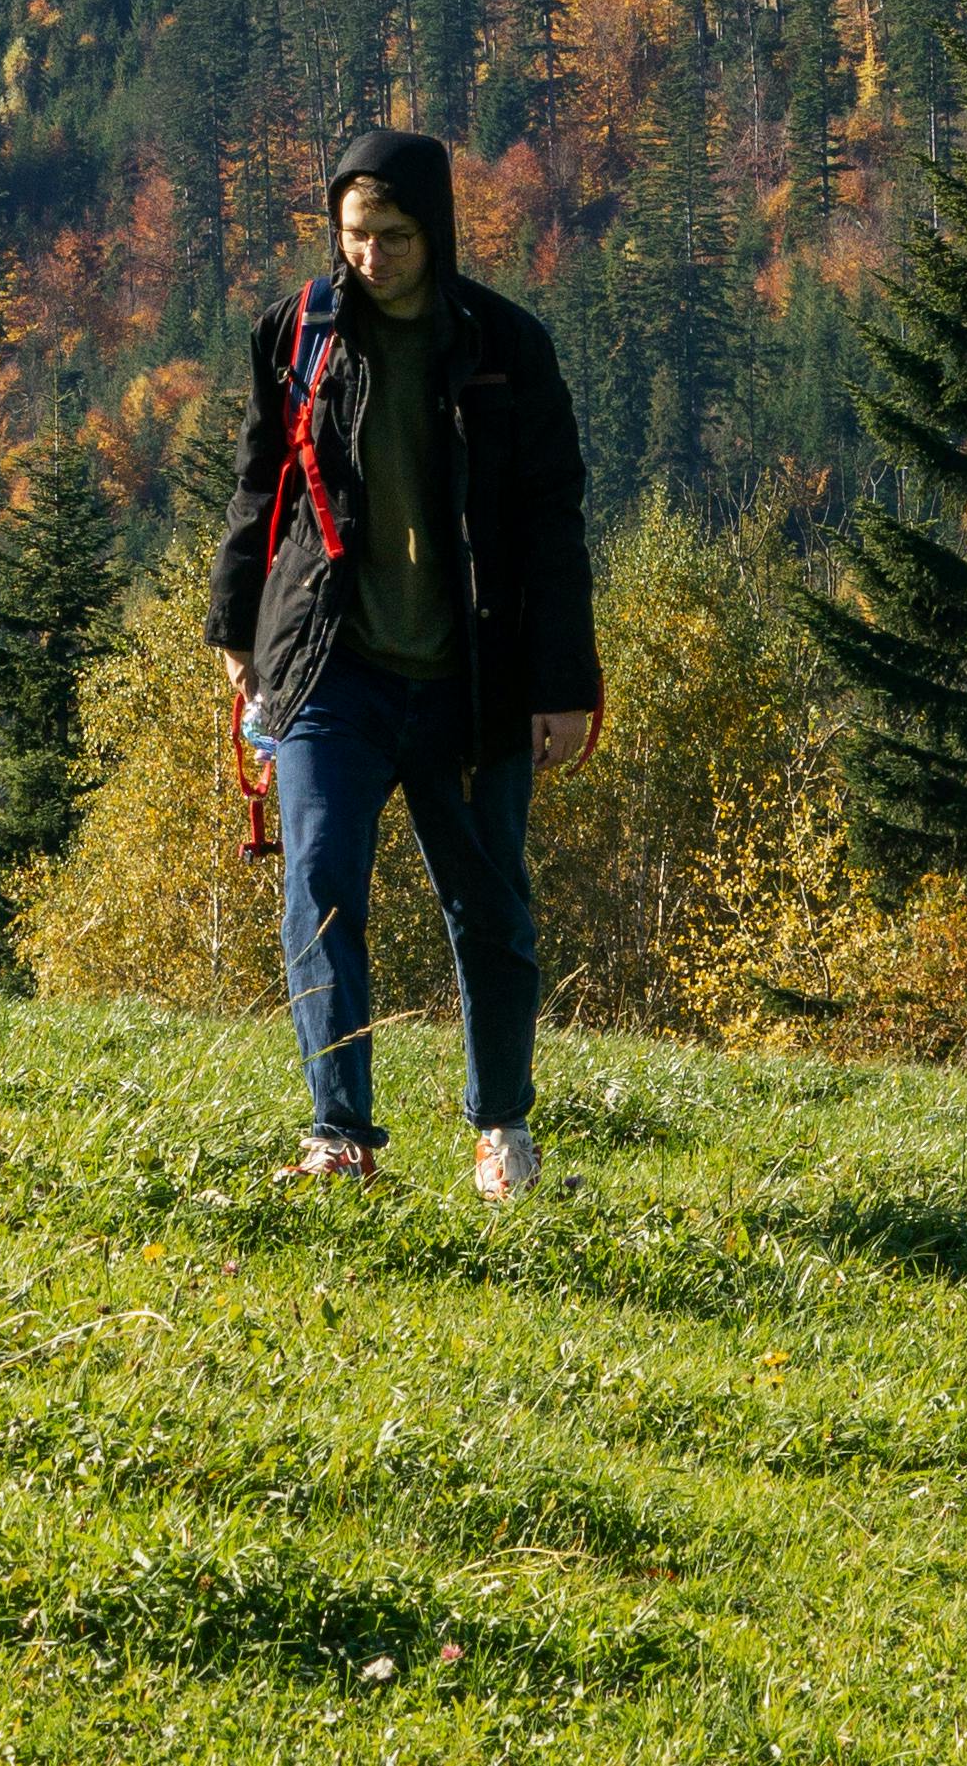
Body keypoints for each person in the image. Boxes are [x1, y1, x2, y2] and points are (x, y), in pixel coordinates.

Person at [210, 128, 598, 1196]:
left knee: (490, 910)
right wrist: (236, 631)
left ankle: (501, 1130)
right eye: (354, 234)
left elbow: (553, 521)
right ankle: (339, 1136)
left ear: (436, 231)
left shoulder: (507, 346)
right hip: (330, 665)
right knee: (319, 885)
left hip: (474, 677)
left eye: (393, 235)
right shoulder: (296, 333)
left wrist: (565, 685)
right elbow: (258, 488)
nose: (370, 255)